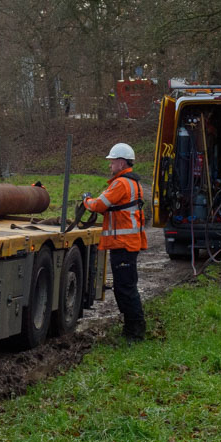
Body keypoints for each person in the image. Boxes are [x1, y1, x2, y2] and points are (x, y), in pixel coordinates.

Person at [83, 142, 148, 341]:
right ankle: (132, 329)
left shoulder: (121, 183)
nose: (110, 166)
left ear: (121, 163)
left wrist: (87, 200)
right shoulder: (132, 182)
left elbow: (99, 204)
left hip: (123, 245)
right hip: (127, 244)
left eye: (112, 162)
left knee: (125, 289)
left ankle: (135, 332)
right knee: (125, 288)